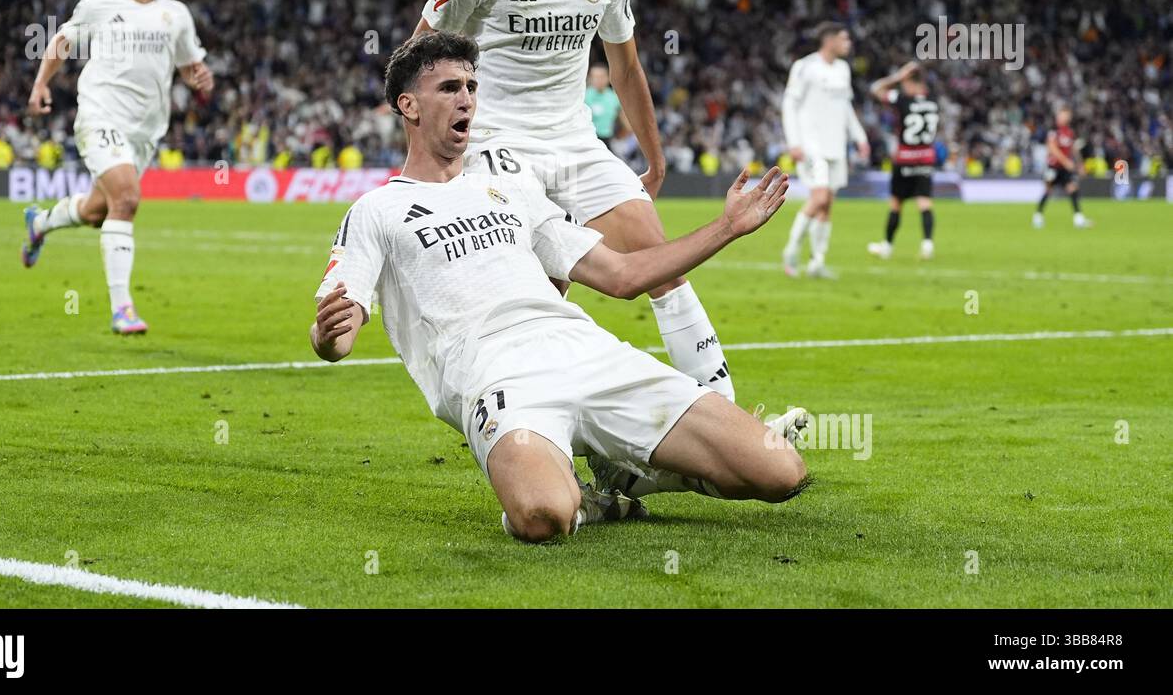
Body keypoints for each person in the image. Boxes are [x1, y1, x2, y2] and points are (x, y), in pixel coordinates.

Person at [313, 32, 809, 543]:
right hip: (496, 378)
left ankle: (630, 472)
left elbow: (622, 276)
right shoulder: (376, 211)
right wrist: (331, 335)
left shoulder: (510, 190)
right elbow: (336, 332)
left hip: (581, 349)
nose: (466, 99)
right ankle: (592, 492)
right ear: (408, 105)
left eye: (472, 86)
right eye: (449, 88)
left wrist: (726, 228)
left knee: (781, 472)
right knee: (543, 517)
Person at [412, 0, 736, 402]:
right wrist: (428, 164)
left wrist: (653, 160)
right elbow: (417, 63)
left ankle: (727, 417)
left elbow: (627, 71)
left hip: (576, 142)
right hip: (496, 144)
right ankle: (522, 425)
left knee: (661, 263)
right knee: (537, 302)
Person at [22, 0, 214, 334]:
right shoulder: (101, 5)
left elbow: (189, 66)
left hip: (145, 132)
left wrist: (200, 77)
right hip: (100, 115)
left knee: (97, 211)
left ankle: (39, 223)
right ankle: (122, 308)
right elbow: (61, 42)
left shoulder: (176, 15)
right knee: (126, 199)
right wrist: (40, 85)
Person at [780, 21, 870, 278]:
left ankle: (817, 262)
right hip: (811, 146)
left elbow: (846, 108)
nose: (848, 44)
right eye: (844, 39)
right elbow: (790, 105)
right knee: (819, 198)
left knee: (827, 203)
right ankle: (791, 250)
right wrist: (794, 142)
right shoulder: (804, 67)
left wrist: (860, 137)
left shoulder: (843, 69)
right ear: (829, 40)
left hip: (836, 147)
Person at [867, 61, 938, 259]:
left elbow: (875, 89)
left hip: (905, 158)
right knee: (924, 203)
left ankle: (888, 247)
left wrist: (898, 76)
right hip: (925, 158)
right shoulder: (933, 100)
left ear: (909, 82)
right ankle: (927, 245)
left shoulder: (902, 99)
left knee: (896, 204)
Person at [1033, 108, 1092, 228]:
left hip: (1065, 168)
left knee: (1072, 189)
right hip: (1053, 167)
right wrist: (1066, 162)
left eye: (1066, 115)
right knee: (1048, 190)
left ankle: (1078, 219)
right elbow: (1052, 148)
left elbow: (1073, 149)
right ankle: (1038, 216)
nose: (1064, 117)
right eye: (1062, 115)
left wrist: (1080, 165)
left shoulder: (1069, 132)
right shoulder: (1054, 131)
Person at [584, 63, 626, 148]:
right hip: (588, 140)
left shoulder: (614, 97)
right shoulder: (583, 96)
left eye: (601, 77)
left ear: (608, 77)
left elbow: (624, 121)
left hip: (608, 140)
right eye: (594, 77)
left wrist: (621, 136)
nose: (597, 80)